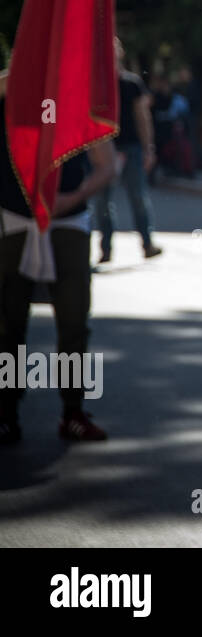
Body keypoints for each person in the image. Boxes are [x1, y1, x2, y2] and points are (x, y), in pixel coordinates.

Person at [0, 71, 117, 444]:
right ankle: (5, 414)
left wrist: (73, 197)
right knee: (8, 324)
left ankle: (73, 411)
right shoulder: (9, 92)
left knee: (73, 322)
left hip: (68, 222)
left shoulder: (80, 99)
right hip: (14, 220)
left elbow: (107, 165)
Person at [92, 37, 162, 263]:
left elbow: (143, 117)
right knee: (102, 201)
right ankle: (106, 248)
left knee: (138, 196)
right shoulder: (95, 83)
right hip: (103, 148)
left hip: (131, 147)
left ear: (120, 52)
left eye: (115, 49)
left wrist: (148, 148)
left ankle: (147, 242)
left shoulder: (132, 84)